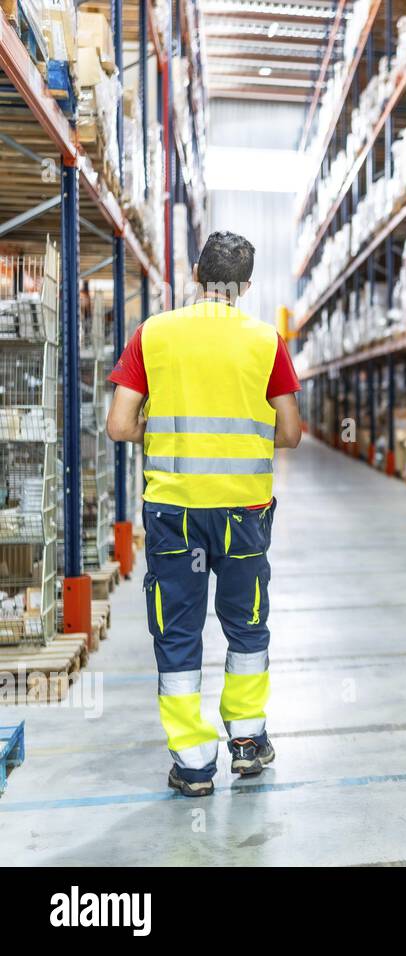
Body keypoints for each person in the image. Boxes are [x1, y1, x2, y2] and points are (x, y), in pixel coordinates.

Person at [106, 231, 303, 798]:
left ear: (196, 274)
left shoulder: (153, 334)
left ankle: (193, 762)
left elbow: (120, 426)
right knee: (246, 622)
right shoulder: (266, 341)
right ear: (245, 285)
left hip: (175, 512)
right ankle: (246, 741)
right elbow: (289, 432)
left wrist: (166, 429)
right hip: (243, 510)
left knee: (177, 630)